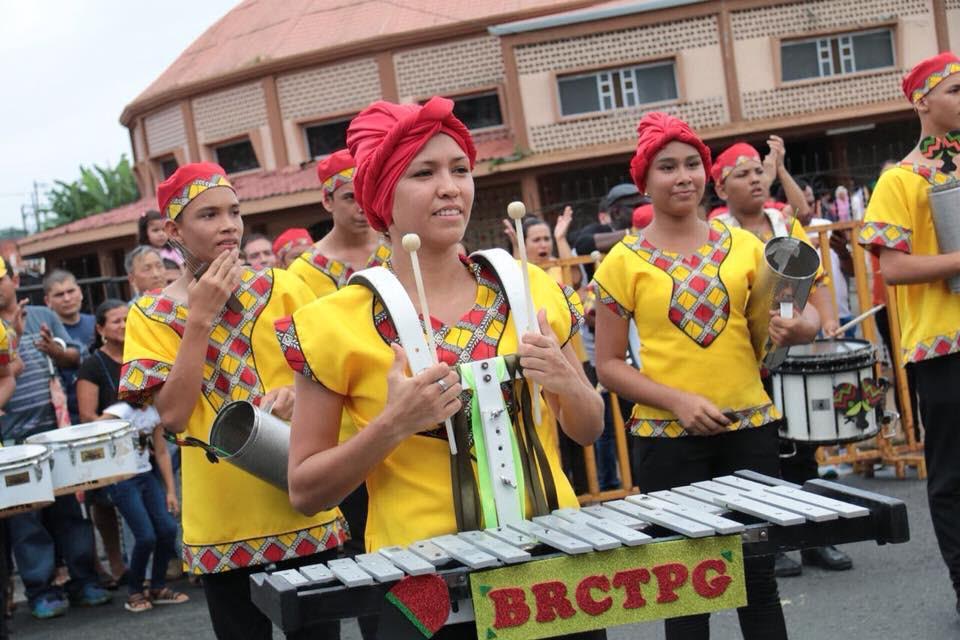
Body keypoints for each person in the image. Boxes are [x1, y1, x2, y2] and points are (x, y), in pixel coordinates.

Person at [280, 97, 604, 639]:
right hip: (420, 583)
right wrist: (393, 424)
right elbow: (305, 491)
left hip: (553, 564)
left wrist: (569, 383)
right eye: (423, 173)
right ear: (383, 195)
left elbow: (589, 429)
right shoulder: (330, 323)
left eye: (460, 170)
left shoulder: (531, 286)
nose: (450, 186)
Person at [594, 112, 821, 640]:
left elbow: (797, 317)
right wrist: (676, 401)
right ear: (644, 181)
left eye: (692, 164)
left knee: (760, 580)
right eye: (667, 167)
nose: (683, 176)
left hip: (751, 429)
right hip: (668, 442)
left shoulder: (746, 247)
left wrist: (801, 326)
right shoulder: (621, 263)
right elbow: (608, 367)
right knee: (688, 591)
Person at [118, 162, 346, 639]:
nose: (228, 225)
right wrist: (199, 318)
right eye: (209, 215)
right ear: (173, 230)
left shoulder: (283, 287)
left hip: (298, 498)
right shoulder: (151, 314)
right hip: (222, 522)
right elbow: (175, 417)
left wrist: (300, 395)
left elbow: (337, 377)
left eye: (235, 212)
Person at [710, 140, 853, 576]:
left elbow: (818, 281)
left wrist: (825, 324)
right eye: (742, 174)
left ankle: (813, 539)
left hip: (793, 355)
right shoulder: (715, 233)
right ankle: (772, 543)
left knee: (805, 450)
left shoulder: (785, 221)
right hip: (746, 364)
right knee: (763, 455)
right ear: (720, 188)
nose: (754, 179)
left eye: (758, 171)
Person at [859, 51, 960, 616]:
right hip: (945, 348)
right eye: (956, 90)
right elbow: (892, 269)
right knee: (953, 480)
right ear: (922, 100)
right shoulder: (901, 178)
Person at [0, 258, 110, 619]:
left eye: (1, 279)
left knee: (71, 511)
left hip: (54, 429)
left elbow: (75, 356)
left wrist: (57, 352)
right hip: (12, 437)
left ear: (14, 279)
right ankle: (40, 591)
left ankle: (84, 582)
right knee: (26, 520)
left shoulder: (43, 317)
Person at [78, 299, 187, 613]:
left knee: (166, 529)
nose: (124, 326)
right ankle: (134, 590)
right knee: (145, 535)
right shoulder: (101, 380)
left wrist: (169, 490)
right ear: (100, 329)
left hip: (146, 467)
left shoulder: (148, 399)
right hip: (119, 469)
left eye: (128, 319)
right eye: (116, 321)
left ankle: (158, 586)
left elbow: (161, 449)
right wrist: (118, 423)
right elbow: (88, 420)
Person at [288, 149, 390, 298]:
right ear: (327, 201)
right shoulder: (303, 271)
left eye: (367, 194)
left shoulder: (399, 248)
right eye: (350, 197)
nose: (362, 207)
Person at [503, 207, 582, 288]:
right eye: (536, 240)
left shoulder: (558, 265)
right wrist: (517, 247)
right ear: (523, 244)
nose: (544, 245)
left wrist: (560, 238)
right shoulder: (516, 271)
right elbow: (522, 288)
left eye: (547, 239)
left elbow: (576, 279)